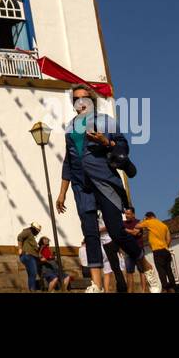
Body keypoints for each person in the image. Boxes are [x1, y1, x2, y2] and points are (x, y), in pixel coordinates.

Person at [55, 84, 146, 293]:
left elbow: (123, 145)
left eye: (85, 97)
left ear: (91, 100)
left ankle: (143, 263)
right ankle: (96, 285)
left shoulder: (105, 121)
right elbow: (69, 161)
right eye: (76, 98)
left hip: (103, 181)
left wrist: (106, 141)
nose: (81, 101)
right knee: (90, 233)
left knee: (116, 232)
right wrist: (62, 193)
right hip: (81, 185)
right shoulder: (70, 128)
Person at [123, 207, 160, 293]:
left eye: (128, 214)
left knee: (142, 271)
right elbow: (131, 232)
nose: (126, 215)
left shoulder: (139, 222)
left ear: (133, 214)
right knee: (129, 272)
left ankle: (143, 291)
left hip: (138, 249)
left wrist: (125, 230)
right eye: (126, 214)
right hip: (128, 251)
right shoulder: (123, 223)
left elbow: (135, 232)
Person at [139, 212, 176, 292]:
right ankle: (173, 286)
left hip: (157, 251)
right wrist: (166, 247)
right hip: (166, 250)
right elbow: (169, 239)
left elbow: (137, 226)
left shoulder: (149, 222)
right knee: (168, 269)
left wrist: (144, 220)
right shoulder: (164, 225)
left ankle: (165, 287)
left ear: (148, 217)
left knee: (161, 270)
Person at [17, 222, 43, 291]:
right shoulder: (28, 231)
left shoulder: (31, 235)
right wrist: (20, 248)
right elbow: (20, 237)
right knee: (33, 273)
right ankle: (32, 289)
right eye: (37, 231)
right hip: (28, 256)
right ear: (34, 229)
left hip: (31, 256)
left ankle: (31, 289)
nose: (37, 233)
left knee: (31, 274)